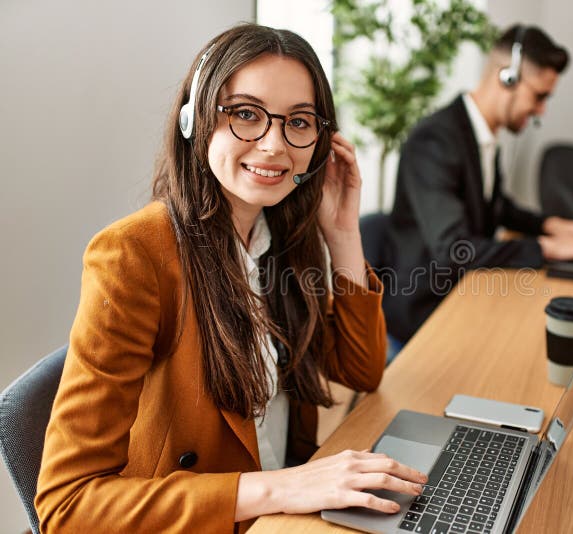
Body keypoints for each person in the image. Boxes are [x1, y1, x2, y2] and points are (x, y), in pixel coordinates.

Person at [34, 24, 427, 532]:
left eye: (299, 122)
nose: (274, 145)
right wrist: (280, 486)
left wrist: (344, 235)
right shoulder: (133, 255)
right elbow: (67, 506)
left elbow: (362, 372)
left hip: (287, 513)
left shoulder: (283, 234)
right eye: (245, 114)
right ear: (194, 119)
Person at [384, 24, 573, 343]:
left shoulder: (478, 135)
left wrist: (552, 226)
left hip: (465, 293)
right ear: (507, 77)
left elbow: (496, 206)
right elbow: (453, 251)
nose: (541, 110)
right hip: (426, 310)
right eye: (539, 96)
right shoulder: (434, 141)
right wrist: (547, 248)